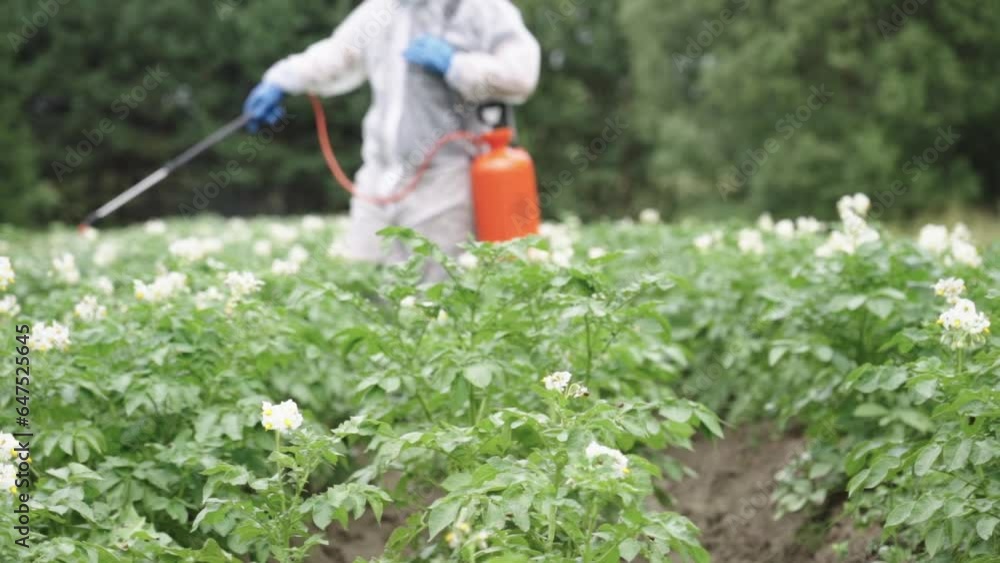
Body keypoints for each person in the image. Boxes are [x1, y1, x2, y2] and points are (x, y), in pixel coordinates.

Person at [243, 0, 541, 271]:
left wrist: (457, 65)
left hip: (446, 184)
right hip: (378, 181)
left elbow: (522, 74)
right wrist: (283, 79)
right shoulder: (382, 9)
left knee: (434, 301)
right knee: (364, 288)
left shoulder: (483, 9)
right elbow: (336, 54)